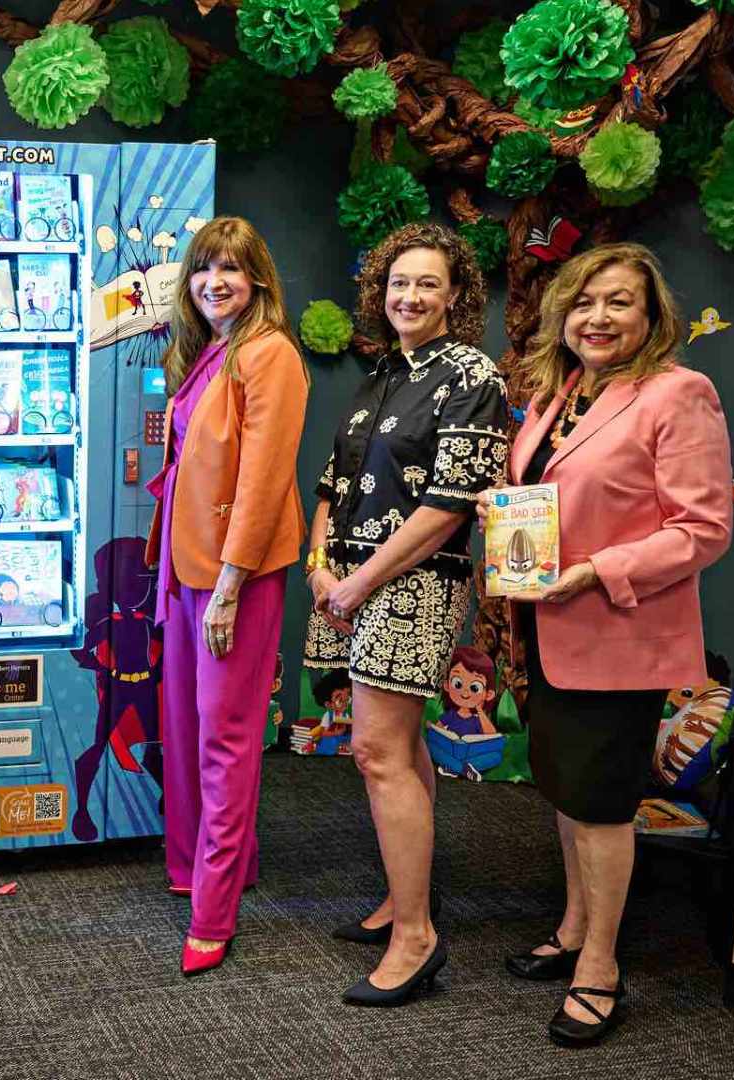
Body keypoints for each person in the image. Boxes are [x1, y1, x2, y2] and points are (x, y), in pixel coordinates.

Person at [493, 243, 731, 1046]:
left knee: (600, 807)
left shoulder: (678, 393)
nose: (598, 317)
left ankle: (600, 967)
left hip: (618, 636)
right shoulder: (560, 393)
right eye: (585, 301)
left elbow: (702, 529)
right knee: (567, 792)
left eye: (619, 302)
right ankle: (569, 929)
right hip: (548, 630)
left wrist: (598, 569)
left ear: (651, 315)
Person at [302, 222, 508, 1005]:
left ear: (456, 294)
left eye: (427, 283)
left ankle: (417, 938)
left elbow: (450, 506)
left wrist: (359, 585)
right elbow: (331, 481)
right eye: (398, 284)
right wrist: (322, 568)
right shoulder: (383, 370)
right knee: (400, 746)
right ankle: (402, 900)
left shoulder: (470, 374)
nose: (410, 296)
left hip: (414, 583)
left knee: (376, 754)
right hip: (348, 579)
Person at [142, 215, 309, 976]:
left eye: (232, 270)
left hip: (231, 581)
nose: (216, 281)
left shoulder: (270, 354)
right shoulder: (213, 350)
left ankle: (214, 915)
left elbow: (265, 479)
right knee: (183, 728)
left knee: (225, 739)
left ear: (259, 282)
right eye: (205, 268)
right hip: (187, 573)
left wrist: (232, 586)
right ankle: (203, 867)